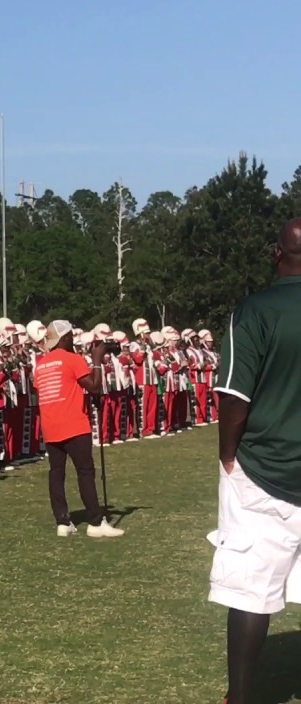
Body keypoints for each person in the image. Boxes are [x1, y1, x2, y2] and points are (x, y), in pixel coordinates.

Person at [209, 219, 301, 704]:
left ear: (275, 253)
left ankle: (240, 698)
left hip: (264, 469)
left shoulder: (254, 310)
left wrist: (228, 455)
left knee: (250, 592)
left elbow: (235, 396)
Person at [31, 320, 125, 539]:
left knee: (56, 473)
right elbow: (94, 387)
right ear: (65, 338)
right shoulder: (73, 359)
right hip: (73, 423)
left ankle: (62, 522)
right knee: (85, 472)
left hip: (51, 425)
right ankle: (95, 522)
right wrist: (97, 361)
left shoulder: (42, 363)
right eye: (71, 336)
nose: (73, 339)